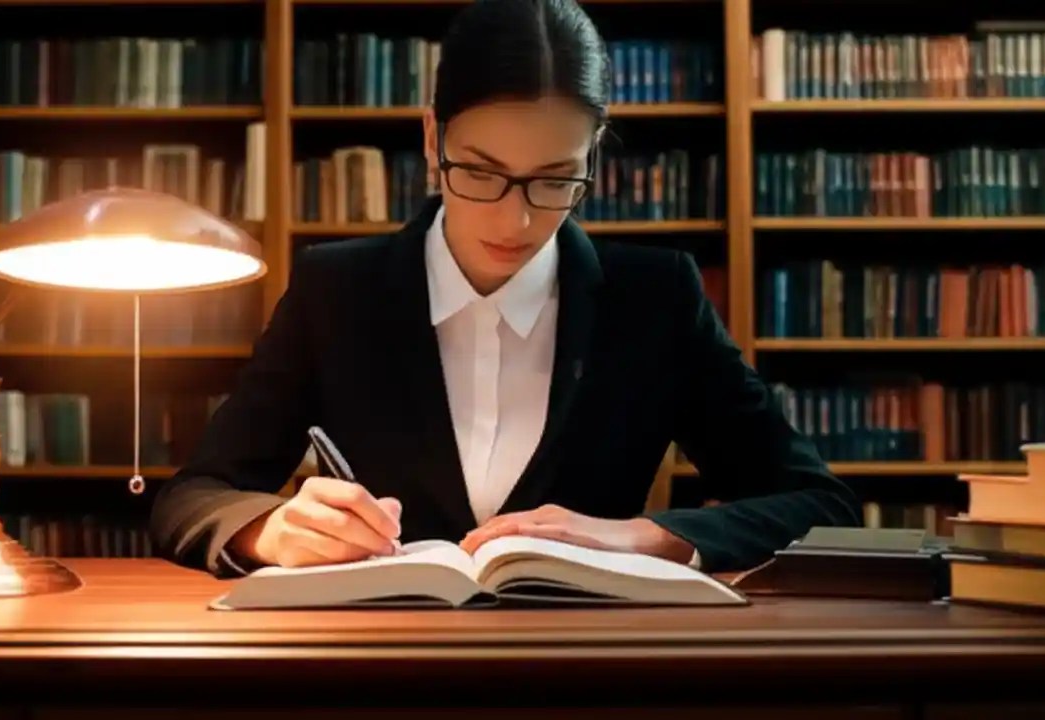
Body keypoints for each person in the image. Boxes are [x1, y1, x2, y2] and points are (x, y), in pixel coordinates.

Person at [149, 0, 860, 579]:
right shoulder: (336, 291)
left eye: (556, 179)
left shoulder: (655, 299)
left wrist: (640, 538)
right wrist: (269, 530)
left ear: (594, 151)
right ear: (432, 139)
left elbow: (823, 504)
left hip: (588, 669)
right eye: (481, 172)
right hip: (379, 664)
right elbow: (192, 497)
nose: (515, 220)